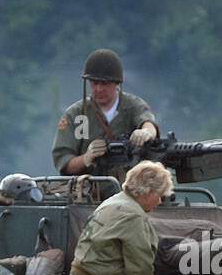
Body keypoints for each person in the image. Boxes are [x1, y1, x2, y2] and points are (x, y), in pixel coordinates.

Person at [66, 160, 173, 275]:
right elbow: (139, 267)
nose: (160, 201)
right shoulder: (133, 216)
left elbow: (114, 252)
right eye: (159, 195)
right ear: (146, 192)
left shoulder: (114, 202)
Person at [51, 48, 160, 179]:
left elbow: (147, 122)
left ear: (116, 84)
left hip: (131, 188)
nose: (99, 89)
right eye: (94, 83)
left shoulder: (132, 106)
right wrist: (86, 158)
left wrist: (145, 133)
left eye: (104, 83)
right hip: (89, 191)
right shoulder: (75, 115)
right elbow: (64, 162)